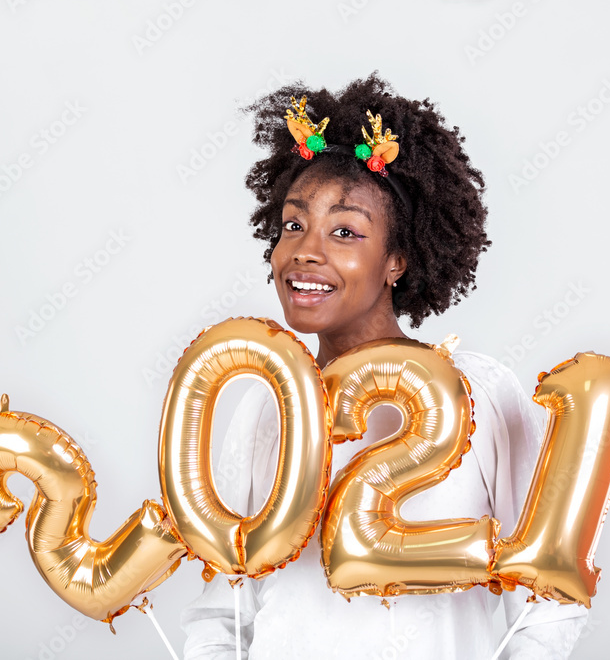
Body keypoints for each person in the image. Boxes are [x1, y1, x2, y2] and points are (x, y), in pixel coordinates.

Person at [180, 74, 588, 659]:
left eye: (345, 231)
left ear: (396, 259)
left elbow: (547, 602)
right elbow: (224, 610)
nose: (305, 251)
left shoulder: (478, 394)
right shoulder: (265, 405)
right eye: (293, 225)